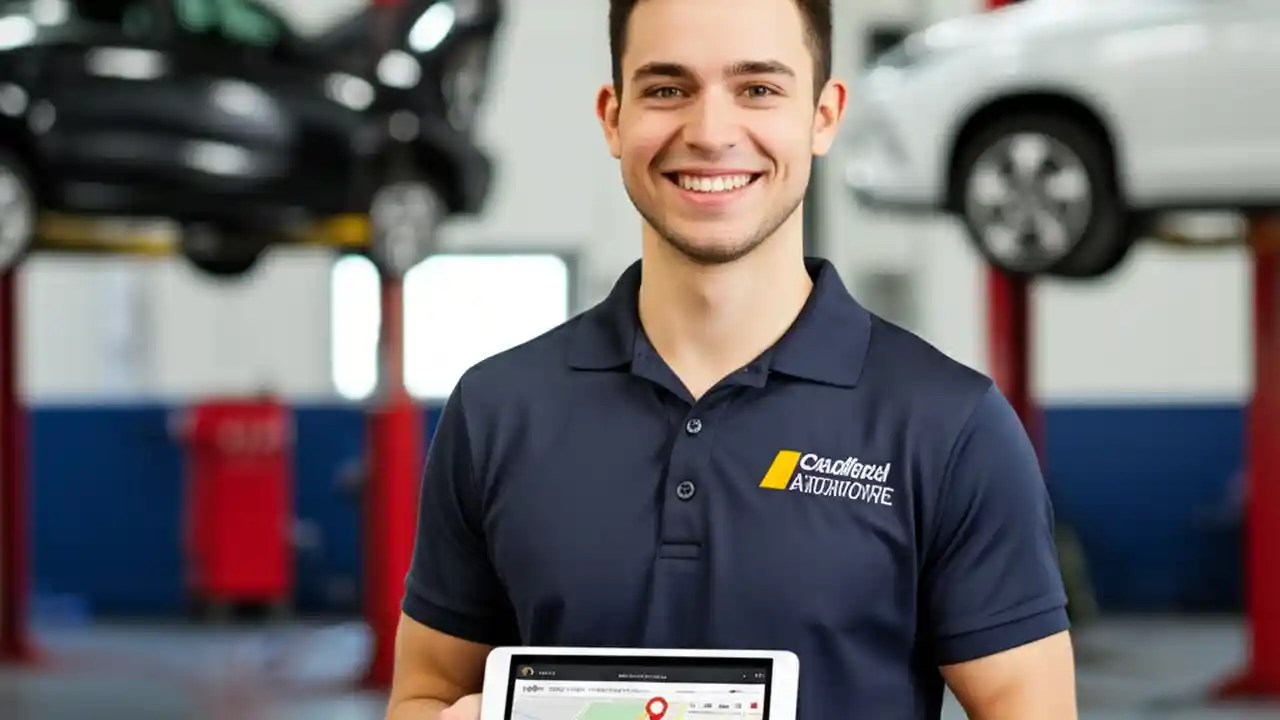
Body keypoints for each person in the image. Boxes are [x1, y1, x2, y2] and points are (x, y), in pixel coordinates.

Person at [385, 0, 1078, 717]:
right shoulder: (499, 409)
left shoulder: (948, 426)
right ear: (612, 118)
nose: (711, 133)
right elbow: (426, 692)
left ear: (824, 114)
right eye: (666, 89)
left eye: (758, 89)